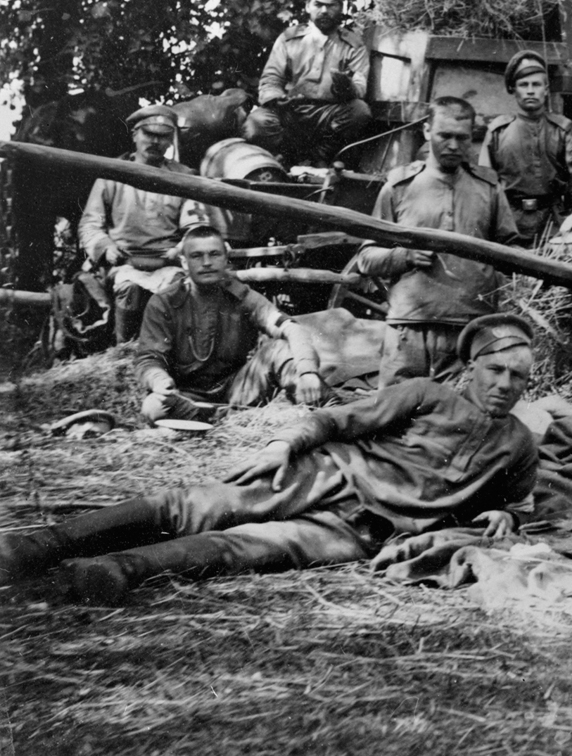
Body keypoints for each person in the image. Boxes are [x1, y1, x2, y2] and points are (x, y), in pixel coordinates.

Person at [0, 314, 541, 606]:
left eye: (517, 378)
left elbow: (518, 500)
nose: (504, 385)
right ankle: (42, 546)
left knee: (252, 549)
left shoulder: (518, 442)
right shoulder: (425, 393)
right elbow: (338, 420)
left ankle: (118, 568)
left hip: (365, 531)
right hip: (330, 475)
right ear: (473, 366)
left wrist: (509, 516)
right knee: (204, 506)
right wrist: (284, 444)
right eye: (496, 371)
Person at [355, 97, 519, 386]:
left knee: (459, 421)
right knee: (393, 416)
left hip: (470, 329)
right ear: (427, 130)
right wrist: (404, 256)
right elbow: (366, 259)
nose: (454, 146)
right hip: (408, 329)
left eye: (462, 138)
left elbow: (513, 253)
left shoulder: (489, 189)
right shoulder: (399, 187)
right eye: (445, 136)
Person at [134, 224, 327, 424]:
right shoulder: (164, 303)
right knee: (153, 407)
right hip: (186, 395)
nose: (207, 262)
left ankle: (330, 411)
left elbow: (290, 327)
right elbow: (148, 358)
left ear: (226, 258)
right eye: (197, 256)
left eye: (214, 254)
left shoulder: (242, 296)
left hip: (238, 389)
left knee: (279, 350)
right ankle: (227, 419)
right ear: (184, 262)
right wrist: (158, 380)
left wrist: (307, 370)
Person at [78, 105, 197, 342]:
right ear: (135, 135)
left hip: (167, 262)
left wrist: (182, 247)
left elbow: (196, 225)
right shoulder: (111, 174)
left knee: (177, 289)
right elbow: (90, 224)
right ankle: (123, 352)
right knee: (128, 290)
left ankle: (170, 353)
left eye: (162, 136)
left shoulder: (184, 177)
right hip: (124, 264)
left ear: (170, 140)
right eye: (148, 134)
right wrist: (105, 246)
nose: (155, 141)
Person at [243, 0, 372, 166]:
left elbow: (360, 86)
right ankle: (287, 157)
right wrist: (277, 99)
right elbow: (271, 79)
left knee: (359, 112)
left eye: (332, 5)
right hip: (291, 113)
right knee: (256, 123)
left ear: (341, 8)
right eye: (318, 4)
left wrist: (348, 88)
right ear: (307, 6)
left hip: (329, 115)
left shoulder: (353, 45)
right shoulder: (289, 39)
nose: (324, 11)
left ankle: (322, 157)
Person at [479, 50, 572, 246]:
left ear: (546, 89)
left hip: (552, 223)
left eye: (536, 84)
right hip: (509, 223)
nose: (530, 91)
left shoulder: (561, 130)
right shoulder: (497, 132)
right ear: (513, 89)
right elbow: (484, 186)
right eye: (523, 85)